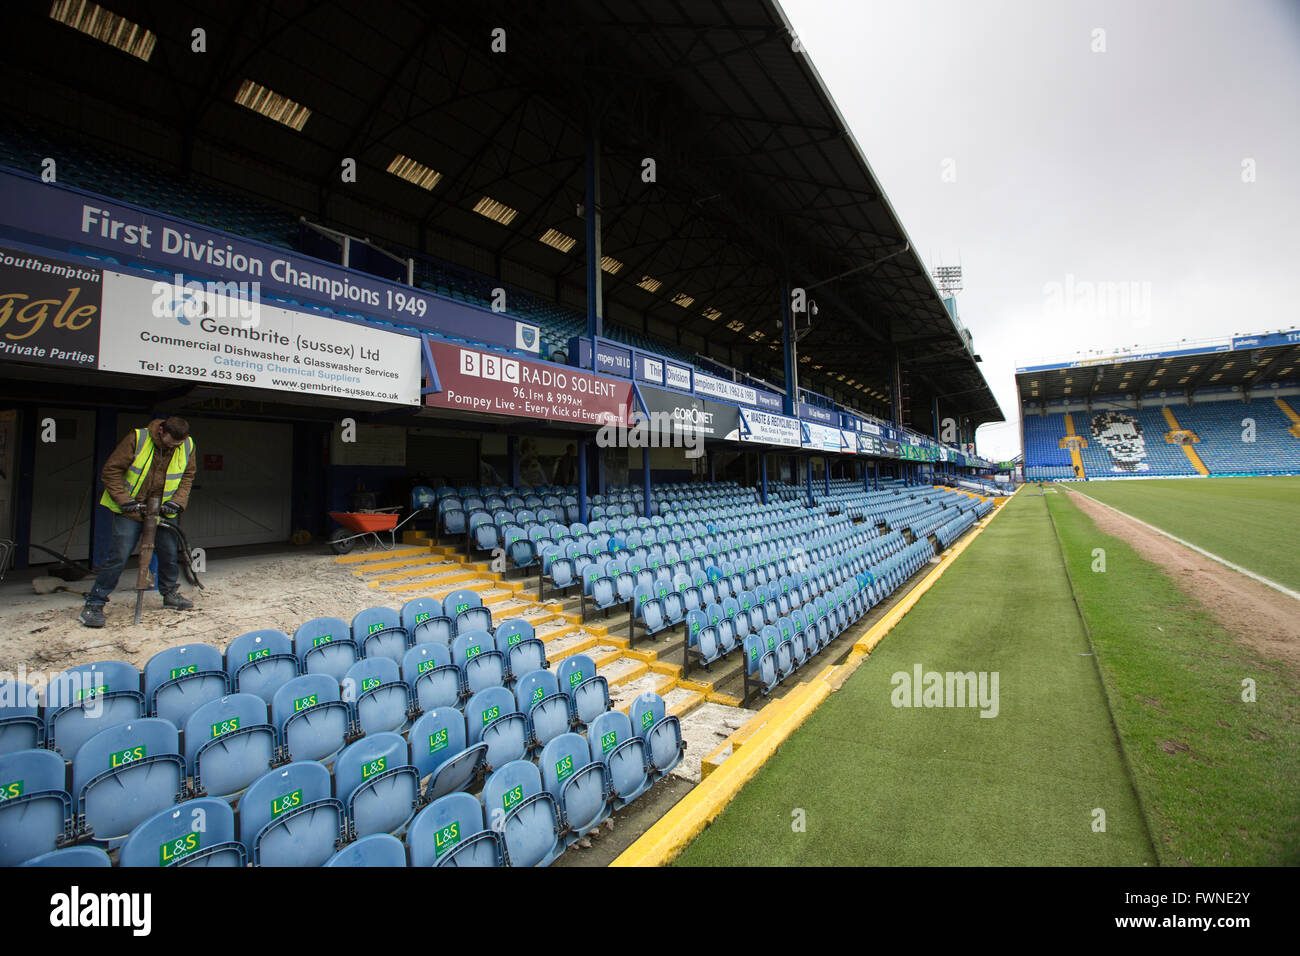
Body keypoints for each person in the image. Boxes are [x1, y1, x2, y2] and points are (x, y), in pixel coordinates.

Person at [80, 416, 197, 627]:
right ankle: (94, 603)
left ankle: (170, 594)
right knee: (119, 556)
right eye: (171, 443)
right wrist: (125, 500)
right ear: (161, 431)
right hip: (132, 510)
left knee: (169, 554)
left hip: (163, 510)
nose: (174, 447)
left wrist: (178, 502)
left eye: (177, 444)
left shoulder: (187, 445)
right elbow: (111, 471)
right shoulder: (138, 438)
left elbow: (188, 476)